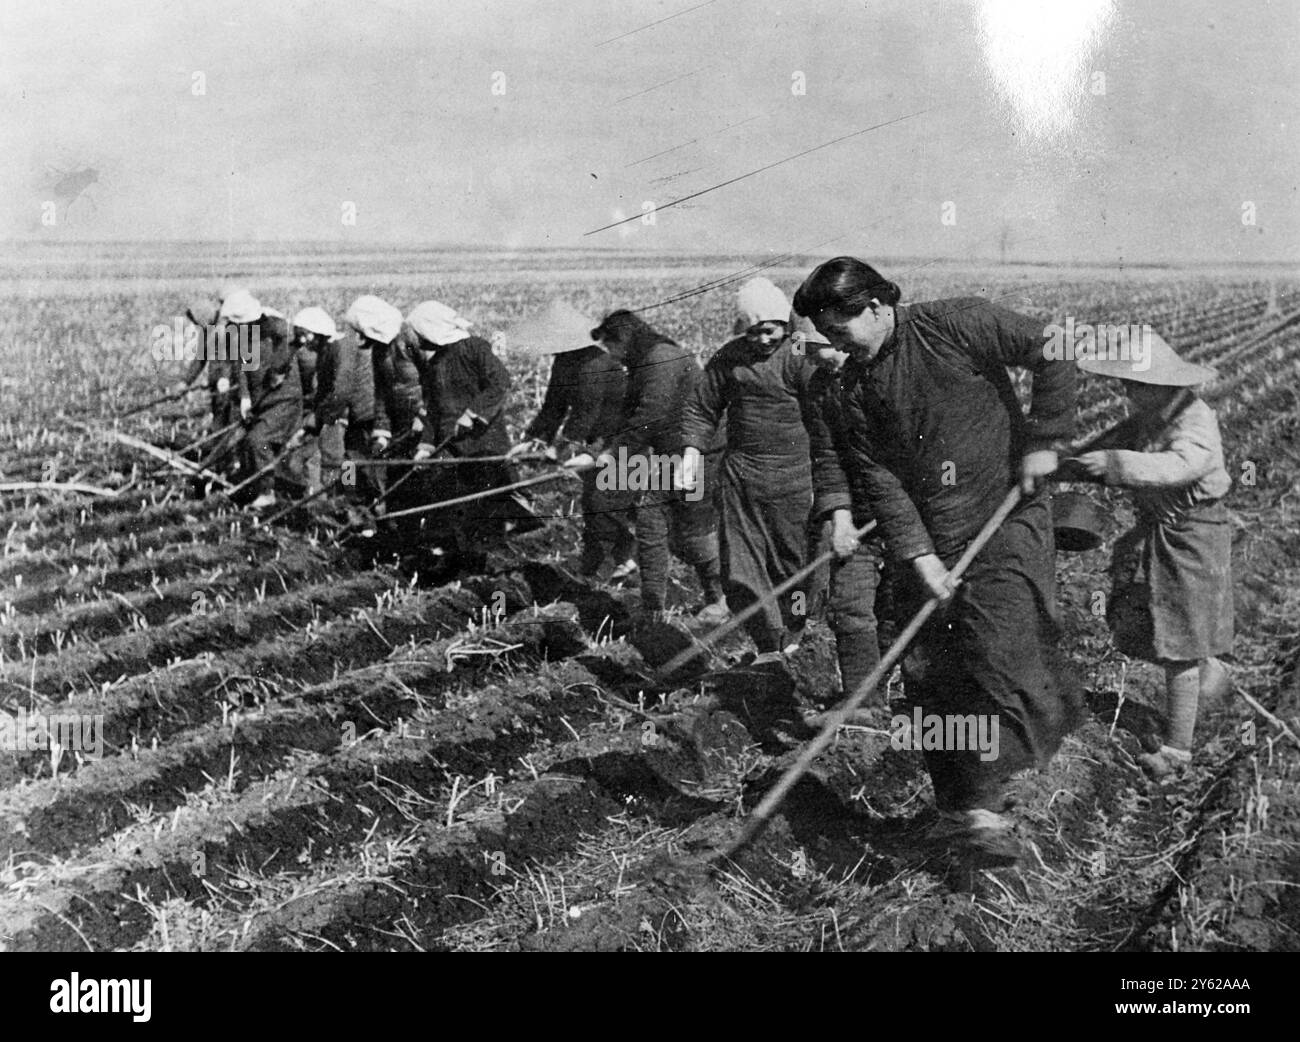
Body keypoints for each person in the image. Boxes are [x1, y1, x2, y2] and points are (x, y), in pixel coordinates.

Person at [793, 257, 1083, 864]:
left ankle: (999, 788)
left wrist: (1046, 440)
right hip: (928, 537)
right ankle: (961, 808)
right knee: (928, 675)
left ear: (875, 307)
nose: (836, 347)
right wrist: (918, 555)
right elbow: (879, 477)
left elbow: (1057, 346)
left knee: (998, 653)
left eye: (841, 332)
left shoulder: (958, 324)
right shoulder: (850, 388)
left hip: (1002, 519)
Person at [1072, 334, 1233, 781]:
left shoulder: (1195, 419)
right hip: (1157, 532)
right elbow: (1100, 446)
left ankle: (1177, 752)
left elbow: (1180, 466)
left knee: (1177, 642)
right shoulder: (1147, 417)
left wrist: (1116, 465)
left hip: (1193, 535)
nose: (1128, 393)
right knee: (1137, 620)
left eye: (1136, 385)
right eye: (1126, 385)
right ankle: (1206, 668)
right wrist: (1062, 463)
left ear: (1165, 385)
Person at [681, 277, 816, 658]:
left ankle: (798, 634)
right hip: (742, 480)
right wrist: (691, 453)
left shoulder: (801, 353)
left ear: (784, 322)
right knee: (741, 570)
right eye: (754, 332)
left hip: (794, 479)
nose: (763, 340)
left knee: (796, 569)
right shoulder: (730, 359)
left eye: (770, 330)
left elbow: (828, 411)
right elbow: (701, 408)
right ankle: (769, 643)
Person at [592, 309, 727, 625]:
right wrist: (602, 448)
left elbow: (651, 412)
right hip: (674, 452)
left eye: (610, 346)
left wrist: (615, 454)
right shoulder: (644, 361)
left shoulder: (661, 359)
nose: (610, 355)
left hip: (699, 453)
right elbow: (630, 412)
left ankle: (719, 599)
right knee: (651, 521)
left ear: (623, 340)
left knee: (693, 529)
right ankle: (653, 609)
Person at [508, 299, 637, 579]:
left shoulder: (596, 364)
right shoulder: (564, 362)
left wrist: (563, 448)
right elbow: (553, 407)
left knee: (606, 502)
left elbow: (586, 414)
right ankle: (616, 561)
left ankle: (621, 563)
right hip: (595, 441)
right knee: (598, 503)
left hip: (616, 440)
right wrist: (535, 438)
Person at [795, 314, 887, 702]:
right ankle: (864, 704)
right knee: (849, 605)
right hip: (860, 513)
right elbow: (826, 457)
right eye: (811, 356)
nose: (821, 361)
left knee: (906, 612)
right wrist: (842, 518)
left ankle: (900, 694)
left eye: (824, 351)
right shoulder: (820, 390)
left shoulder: (884, 375)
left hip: (913, 513)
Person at [407, 300, 531, 553]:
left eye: (419, 334)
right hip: (451, 444)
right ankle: (462, 554)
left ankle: (496, 551)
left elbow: (500, 382)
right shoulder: (433, 365)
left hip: (484, 441)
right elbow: (432, 409)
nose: (417, 340)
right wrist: (426, 444)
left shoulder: (474, 348)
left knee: (488, 498)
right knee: (456, 502)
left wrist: (473, 414)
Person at [218, 289, 301, 510]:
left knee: (258, 440)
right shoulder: (239, 336)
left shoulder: (276, 327)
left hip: (283, 398)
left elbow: (288, 349)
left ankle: (268, 492)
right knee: (241, 440)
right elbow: (242, 369)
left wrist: (278, 370)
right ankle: (253, 485)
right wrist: (245, 398)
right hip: (259, 400)